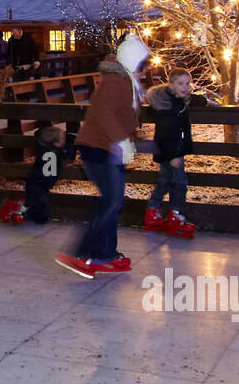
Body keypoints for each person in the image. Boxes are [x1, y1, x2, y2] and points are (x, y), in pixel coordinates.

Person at [55, 34, 148, 278]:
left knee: (113, 201)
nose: (145, 72)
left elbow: (119, 115)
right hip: (98, 149)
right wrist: (122, 140)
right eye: (142, 65)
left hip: (108, 149)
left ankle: (105, 253)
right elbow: (105, 113)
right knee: (111, 201)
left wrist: (127, 140)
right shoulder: (117, 81)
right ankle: (81, 254)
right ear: (132, 61)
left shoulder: (124, 80)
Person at [144, 67, 201, 238]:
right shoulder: (168, 106)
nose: (185, 87)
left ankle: (152, 213)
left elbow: (189, 104)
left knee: (165, 182)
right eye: (180, 84)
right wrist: (174, 155)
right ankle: (176, 216)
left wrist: (202, 100)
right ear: (170, 85)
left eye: (187, 84)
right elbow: (166, 132)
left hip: (171, 152)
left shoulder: (175, 101)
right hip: (172, 152)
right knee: (180, 184)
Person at [0, 125, 73, 225]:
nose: (65, 141)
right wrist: (72, 144)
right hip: (41, 186)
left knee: (34, 204)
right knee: (41, 217)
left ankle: (18, 208)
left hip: (34, 182)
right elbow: (70, 158)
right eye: (63, 139)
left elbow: (37, 134)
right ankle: (17, 209)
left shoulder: (42, 148)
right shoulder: (58, 153)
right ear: (57, 143)